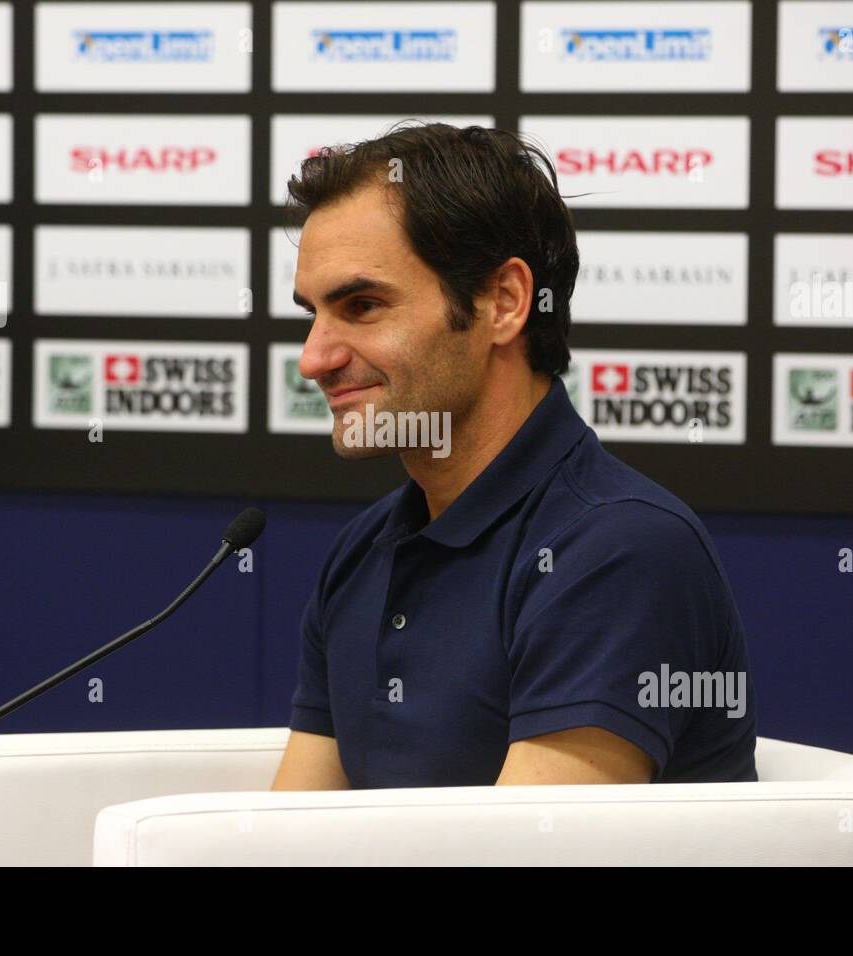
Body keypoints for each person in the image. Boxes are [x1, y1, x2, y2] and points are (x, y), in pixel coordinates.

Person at [271, 122, 756, 790]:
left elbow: (531, 853)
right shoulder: (361, 553)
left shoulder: (622, 550)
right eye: (314, 313)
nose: (313, 358)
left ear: (503, 303)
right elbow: (290, 842)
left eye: (362, 305)